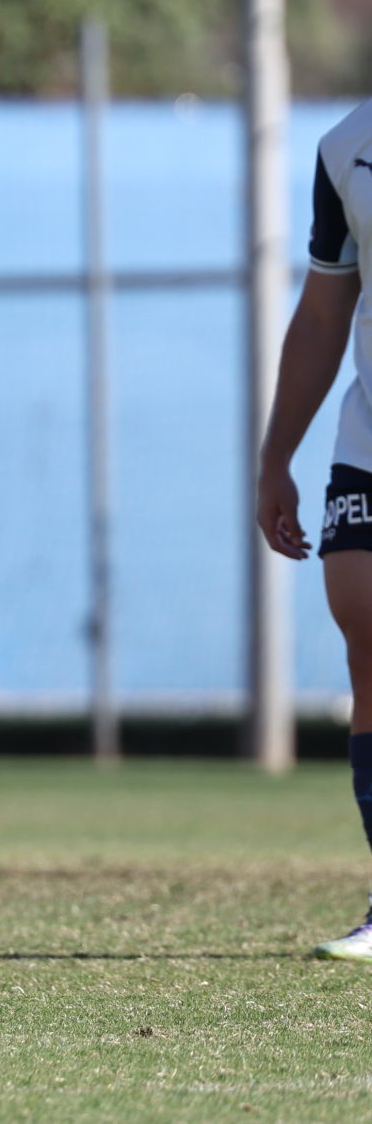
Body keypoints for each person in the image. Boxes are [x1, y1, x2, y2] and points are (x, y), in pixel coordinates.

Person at [256, 101, 372, 960]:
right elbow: (326, 311)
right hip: (368, 440)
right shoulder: (346, 145)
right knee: (364, 621)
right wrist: (276, 455)